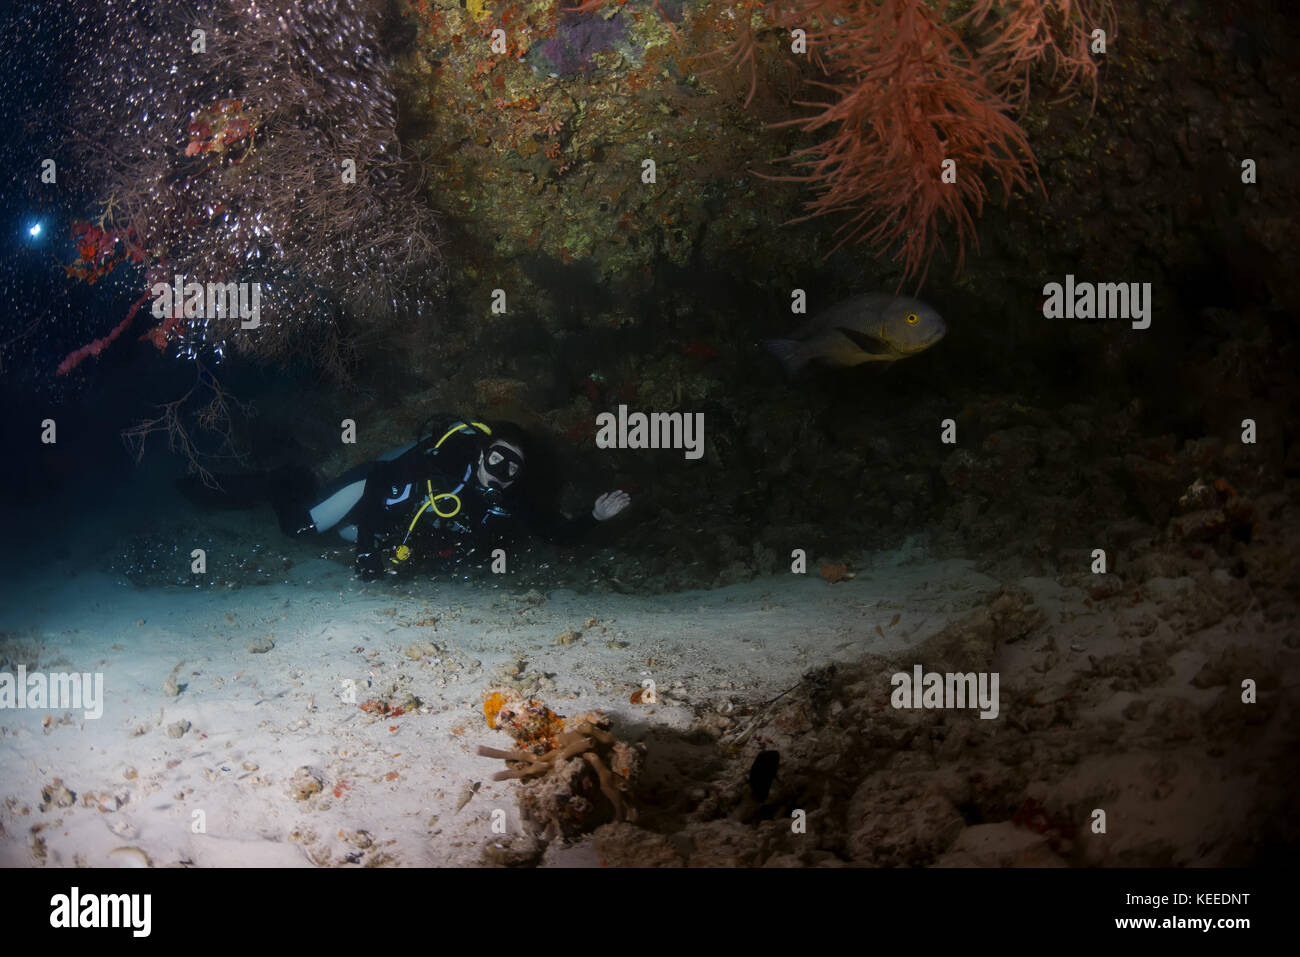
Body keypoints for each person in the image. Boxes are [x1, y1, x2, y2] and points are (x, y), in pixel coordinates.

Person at [185, 417, 631, 580]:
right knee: (300, 527)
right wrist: (366, 555)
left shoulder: (505, 500)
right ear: (480, 452)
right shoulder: (438, 463)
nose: (503, 474)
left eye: (514, 468)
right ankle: (280, 479)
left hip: (386, 523)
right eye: (498, 459)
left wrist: (593, 516)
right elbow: (380, 478)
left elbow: (556, 534)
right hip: (372, 488)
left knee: (341, 531)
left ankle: (315, 494)